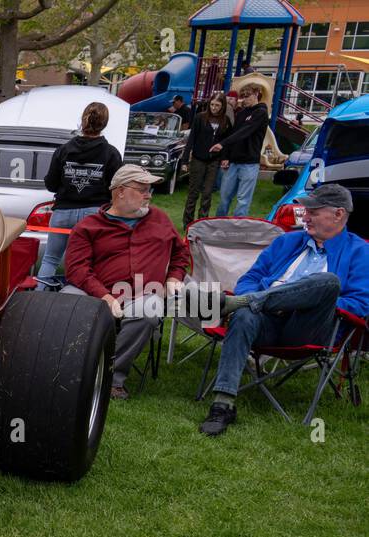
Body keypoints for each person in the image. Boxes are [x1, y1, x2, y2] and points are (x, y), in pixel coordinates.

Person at [199, 183, 369, 436]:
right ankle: (222, 405)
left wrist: (307, 298)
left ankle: (242, 303)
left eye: (314, 211)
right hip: (266, 321)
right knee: (245, 314)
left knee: (328, 282)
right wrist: (265, 299)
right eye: (305, 210)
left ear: (338, 214)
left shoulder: (360, 251)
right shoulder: (287, 242)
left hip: (310, 327)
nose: (306, 216)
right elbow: (249, 278)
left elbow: (360, 303)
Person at [62, 164, 191, 400]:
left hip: (142, 295)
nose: (148, 195)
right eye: (142, 189)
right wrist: (104, 296)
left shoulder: (159, 219)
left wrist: (174, 276)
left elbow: (180, 253)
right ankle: (68, 370)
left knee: (148, 310)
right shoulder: (89, 227)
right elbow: (76, 269)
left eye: (149, 190)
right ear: (120, 191)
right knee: (65, 304)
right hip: (97, 295)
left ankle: (111, 377)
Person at [37, 101, 123, 292]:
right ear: (105, 123)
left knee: (50, 258)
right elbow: (117, 188)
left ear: (83, 120)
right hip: (94, 214)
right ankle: (79, 304)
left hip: (63, 212)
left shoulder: (63, 150)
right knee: (87, 262)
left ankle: (38, 296)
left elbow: (51, 184)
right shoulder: (111, 153)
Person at [213, 82, 268, 216]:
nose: (244, 99)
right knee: (224, 197)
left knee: (243, 200)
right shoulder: (242, 113)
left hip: (249, 163)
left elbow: (245, 131)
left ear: (256, 94)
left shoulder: (261, 112)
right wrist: (226, 155)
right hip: (233, 162)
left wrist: (222, 144)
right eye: (242, 96)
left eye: (247, 96)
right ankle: (219, 223)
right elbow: (233, 133)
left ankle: (238, 227)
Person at [182, 92, 231, 229]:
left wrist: (225, 157)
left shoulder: (225, 121)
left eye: (218, 105)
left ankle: (202, 222)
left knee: (207, 192)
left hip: (214, 161)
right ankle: (188, 222)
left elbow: (227, 142)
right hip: (198, 159)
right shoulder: (200, 118)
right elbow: (191, 138)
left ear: (223, 106)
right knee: (193, 192)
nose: (214, 108)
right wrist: (185, 161)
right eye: (212, 104)